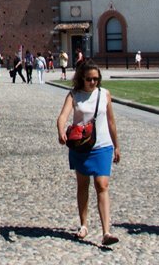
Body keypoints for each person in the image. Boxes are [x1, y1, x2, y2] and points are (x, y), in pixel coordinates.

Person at [56, 60, 120, 247]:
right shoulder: (74, 95)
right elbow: (62, 117)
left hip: (103, 145)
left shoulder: (105, 94)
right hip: (81, 146)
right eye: (89, 79)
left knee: (102, 184)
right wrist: (61, 131)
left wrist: (117, 145)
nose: (93, 82)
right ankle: (83, 224)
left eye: (96, 79)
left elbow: (111, 122)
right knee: (83, 185)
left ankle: (106, 231)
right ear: (81, 79)